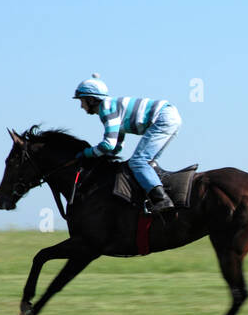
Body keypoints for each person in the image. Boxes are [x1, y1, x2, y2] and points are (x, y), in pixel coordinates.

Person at [72, 73, 181, 212]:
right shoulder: (112, 107)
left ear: (91, 100)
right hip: (169, 116)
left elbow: (108, 144)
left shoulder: (106, 108)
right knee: (147, 162)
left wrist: (86, 153)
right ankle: (154, 194)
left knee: (138, 161)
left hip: (163, 117)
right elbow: (116, 147)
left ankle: (161, 200)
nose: (81, 106)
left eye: (82, 101)